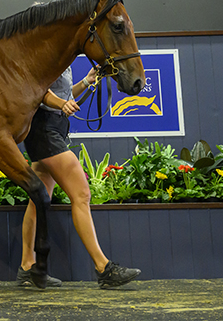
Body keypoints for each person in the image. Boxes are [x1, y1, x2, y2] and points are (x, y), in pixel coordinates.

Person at [18, 64, 141, 290]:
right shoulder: (49, 53)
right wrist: (61, 104)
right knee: (82, 194)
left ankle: (27, 267)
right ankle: (103, 267)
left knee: (38, 201)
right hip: (45, 130)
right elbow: (39, 92)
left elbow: (62, 94)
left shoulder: (64, 62)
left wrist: (85, 82)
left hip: (51, 129)